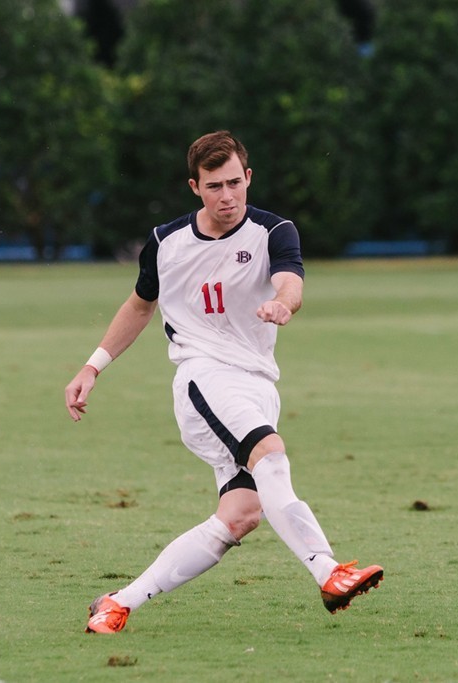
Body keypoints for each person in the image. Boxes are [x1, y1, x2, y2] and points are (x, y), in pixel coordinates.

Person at [64, 131, 383, 634]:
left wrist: (284, 302)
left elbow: (291, 279)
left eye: (235, 182)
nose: (228, 196)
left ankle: (117, 602)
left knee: (241, 515)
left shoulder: (274, 231)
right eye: (215, 186)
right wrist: (92, 366)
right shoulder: (166, 242)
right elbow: (139, 305)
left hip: (255, 383)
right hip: (203, 378)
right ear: (195, 186)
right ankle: (328, 571)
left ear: (248, 177)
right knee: (270, 452)